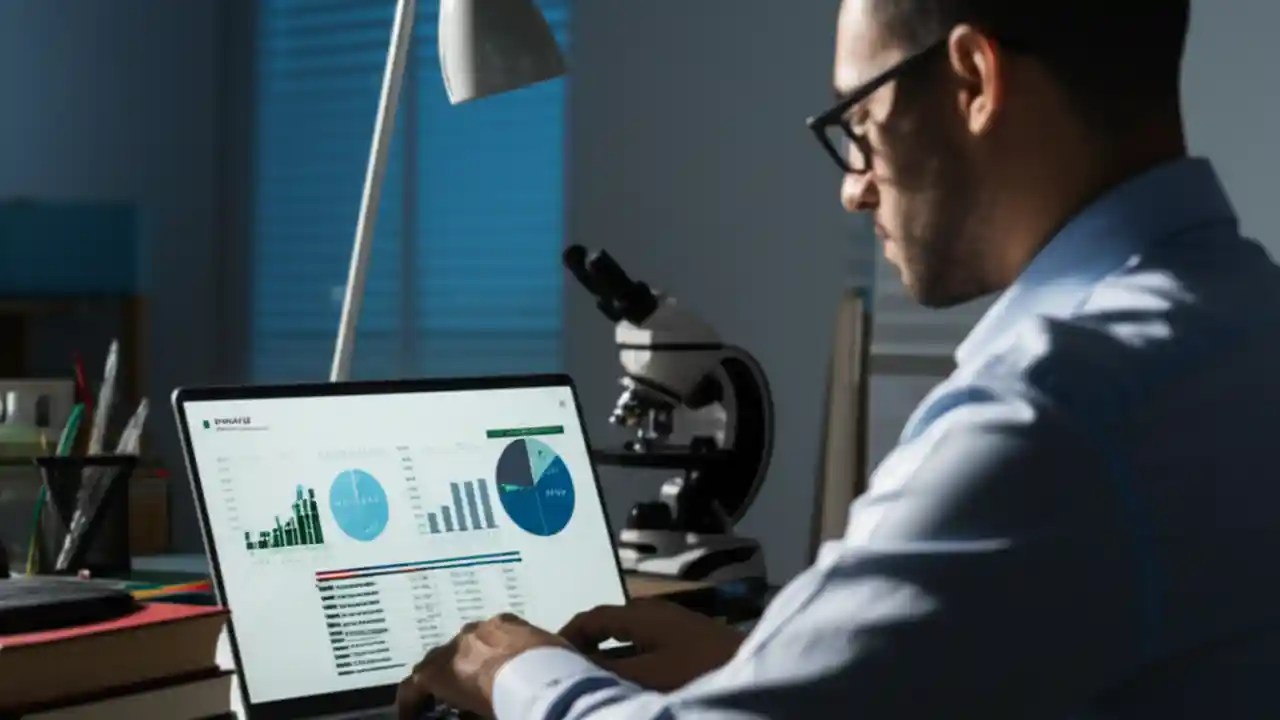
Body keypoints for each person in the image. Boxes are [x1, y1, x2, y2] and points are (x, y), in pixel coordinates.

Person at [398, 0, 1280, 717]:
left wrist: (513, 670)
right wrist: (767, 661)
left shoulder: (1051, 409)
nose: (853, 186)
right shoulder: (1245, 315)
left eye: (859, 118)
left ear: (973, 78)